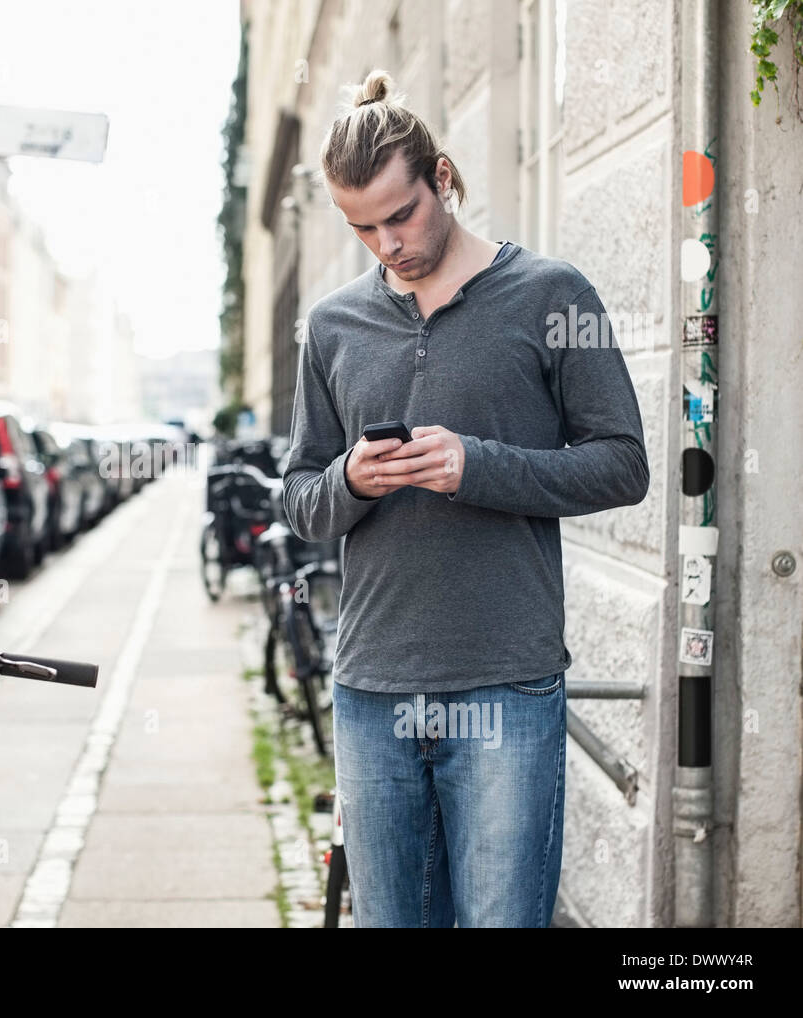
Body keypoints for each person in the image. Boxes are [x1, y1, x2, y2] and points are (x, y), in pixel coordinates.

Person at [281, 69, 650, 928]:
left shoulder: (554, 296)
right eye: (361, 227)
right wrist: (350, 483)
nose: (387, 244)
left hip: (506, 688)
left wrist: (476, 466)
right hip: (373, 688)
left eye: (400, 215)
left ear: (442, 177)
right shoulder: (334, 326)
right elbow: (299, 497)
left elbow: (622, 465)